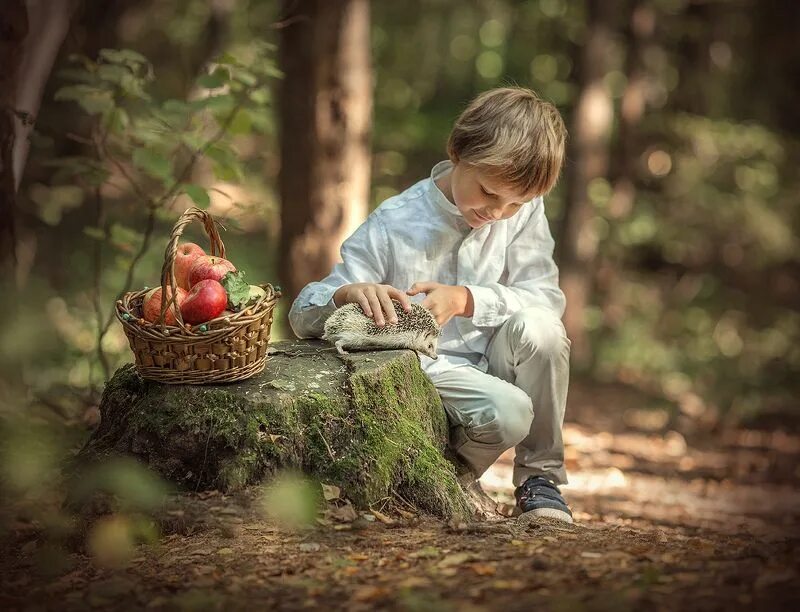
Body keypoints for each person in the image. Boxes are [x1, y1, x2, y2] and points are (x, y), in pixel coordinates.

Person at [289, 86, 573, 522]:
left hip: (493, 365)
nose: (499, 212)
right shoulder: (395, 221)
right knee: (511, 412)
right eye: (489, 193)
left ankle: (540, 480)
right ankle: (435, 474)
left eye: (516, 203)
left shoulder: (525, 213)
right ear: (459, 152)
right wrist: (348, 293)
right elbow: (304, 311)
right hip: (425, 377)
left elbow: (547, 299)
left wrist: (467, 299)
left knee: (543, 330)